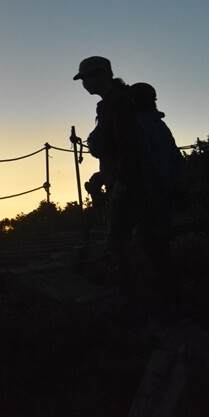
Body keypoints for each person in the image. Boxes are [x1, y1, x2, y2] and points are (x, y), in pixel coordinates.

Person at [74, 57, 181, 322]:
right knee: (146, 241)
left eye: (87, 77)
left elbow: (128, 144)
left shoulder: (119, 102)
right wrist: (103, 176)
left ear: (102, 75)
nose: (84, 83)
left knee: (123, 242)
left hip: (128, 184)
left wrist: (122, 181)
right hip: (122, 181)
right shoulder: (109, 104)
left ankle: (141, 303)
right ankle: (161, 298)